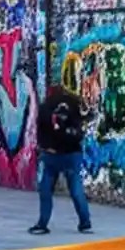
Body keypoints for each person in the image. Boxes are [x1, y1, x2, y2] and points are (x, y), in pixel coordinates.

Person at [29, 84, 93, 235]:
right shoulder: (75, 103)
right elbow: (83, 124)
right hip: (72, 153)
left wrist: (44, 147)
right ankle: (85, 222)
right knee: (76, 190)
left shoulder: (46, 106)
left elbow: (40, 130)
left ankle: (42, 224)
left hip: (53, 154)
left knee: (46, 190)